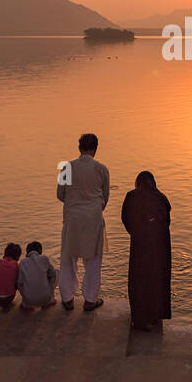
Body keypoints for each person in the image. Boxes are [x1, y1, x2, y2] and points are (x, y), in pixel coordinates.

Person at [57, 133, 110, 311]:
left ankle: (67, 298)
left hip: (72, 218)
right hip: (93, 218)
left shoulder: (67, 168)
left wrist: (75, 202)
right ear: (95, 148)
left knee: (68, 259)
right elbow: (105, 197)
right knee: (93, 260)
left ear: (79, 148)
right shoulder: (102, 169)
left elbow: (60, 195)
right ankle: (89, 300)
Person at [121, 171, 173, 331]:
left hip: (141, 243)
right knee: (158, 278)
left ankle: (141, 319)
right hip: (161, 244)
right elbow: (167, 221)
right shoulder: (161, 198)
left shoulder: (131, 196)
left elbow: (125, 218)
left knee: (140, 279)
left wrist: (136, 234)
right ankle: (156, 315)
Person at [17, 241, 58, 310]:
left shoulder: (23, 262)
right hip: (46, 298)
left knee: (22, 280)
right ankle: (50, 299)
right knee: (56, 272)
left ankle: (26, 304)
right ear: (40, 251)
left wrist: (25, 298)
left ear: (27, 252)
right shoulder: (44, 259)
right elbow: (52, 275)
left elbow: (19, 283)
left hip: (28, 300)